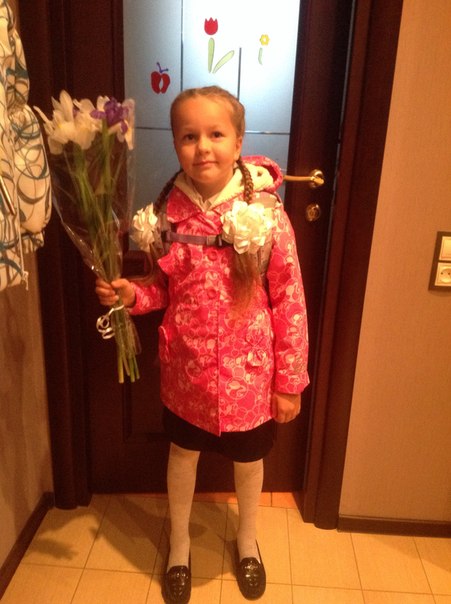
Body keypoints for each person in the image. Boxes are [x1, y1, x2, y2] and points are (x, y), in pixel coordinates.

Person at [95, 86, 309, 603]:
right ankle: (179, 545)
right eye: (189, 136)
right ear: (175, 144)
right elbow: (162, 288)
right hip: (186, 370)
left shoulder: (266, 212)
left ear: (238, 142)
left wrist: (289, 382)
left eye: (216, 134)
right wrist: (132, 295)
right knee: (182, 454)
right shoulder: (167, 213)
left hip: (248, 374)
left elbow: (290, 298)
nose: (203, 147)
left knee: (249, 461)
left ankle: (248, 541)